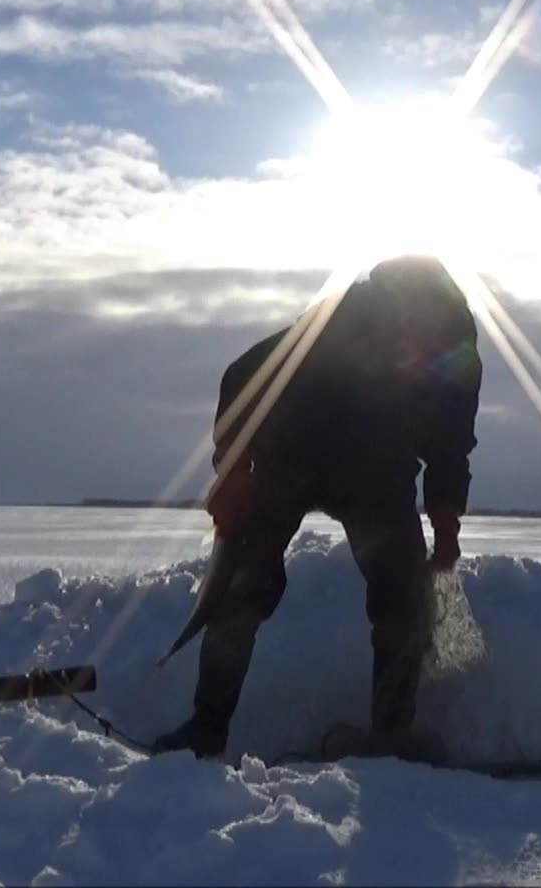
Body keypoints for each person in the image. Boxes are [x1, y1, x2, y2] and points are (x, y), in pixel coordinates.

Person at [151, 254, 482, 760]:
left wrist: (446, 516)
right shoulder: (339, 315)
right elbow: (243, 376)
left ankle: (392, 734)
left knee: (403, 594)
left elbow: (451, 444)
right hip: (291, 453)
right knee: (244, 582)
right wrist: (232, 467)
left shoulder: (457, 346)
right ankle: (207, 726)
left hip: (377, 472)